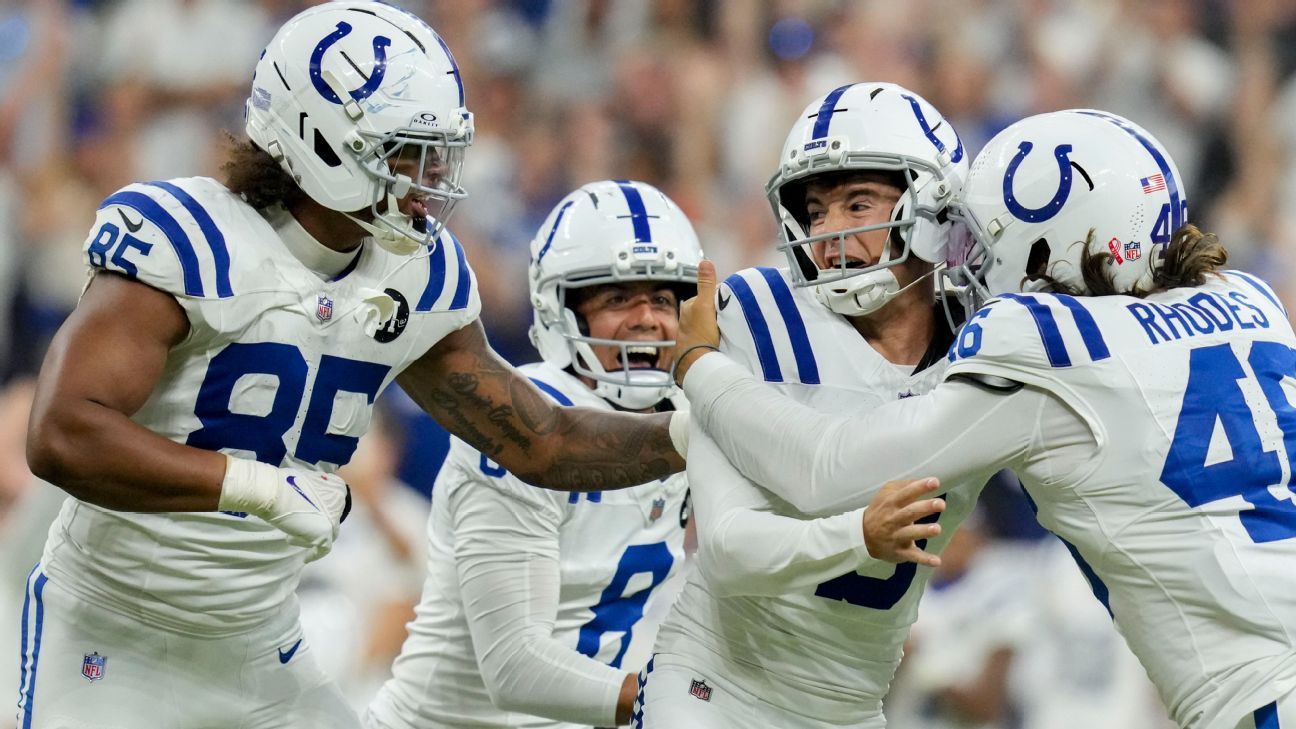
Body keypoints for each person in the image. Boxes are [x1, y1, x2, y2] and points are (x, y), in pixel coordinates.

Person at [18, 5, 685, 729]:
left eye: (437, 153)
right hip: (114, 636)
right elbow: (62, 433)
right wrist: (257, 487)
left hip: (258, 646)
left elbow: (542, 440)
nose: (429, 178)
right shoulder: (194, 240)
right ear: (319, 141)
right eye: (404, 152)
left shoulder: (415, 274)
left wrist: (693, 437)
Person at [672, 109, 1296, 729]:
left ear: (1055, 239)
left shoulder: (1040, 340)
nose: (969, 261)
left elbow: (826, 471)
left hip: (1262, 688)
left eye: (985, 239)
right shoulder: (1249, 298)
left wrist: (698, 366)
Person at [634, 82, 971, 728]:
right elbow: (729, 550)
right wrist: (859, 534)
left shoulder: (982, 350)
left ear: (934, 207)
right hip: (717, 691)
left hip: (850, 706)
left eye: (858, 203)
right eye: (815, 211)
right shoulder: (757, 316)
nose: (830, 234)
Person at [368, 179, 699, 729]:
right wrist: (685, 700)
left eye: (663, 297)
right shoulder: (523, 420)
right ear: (559, 310)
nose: (647, 318)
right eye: (618, 297)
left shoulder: (690, 412)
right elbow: (515, 668)